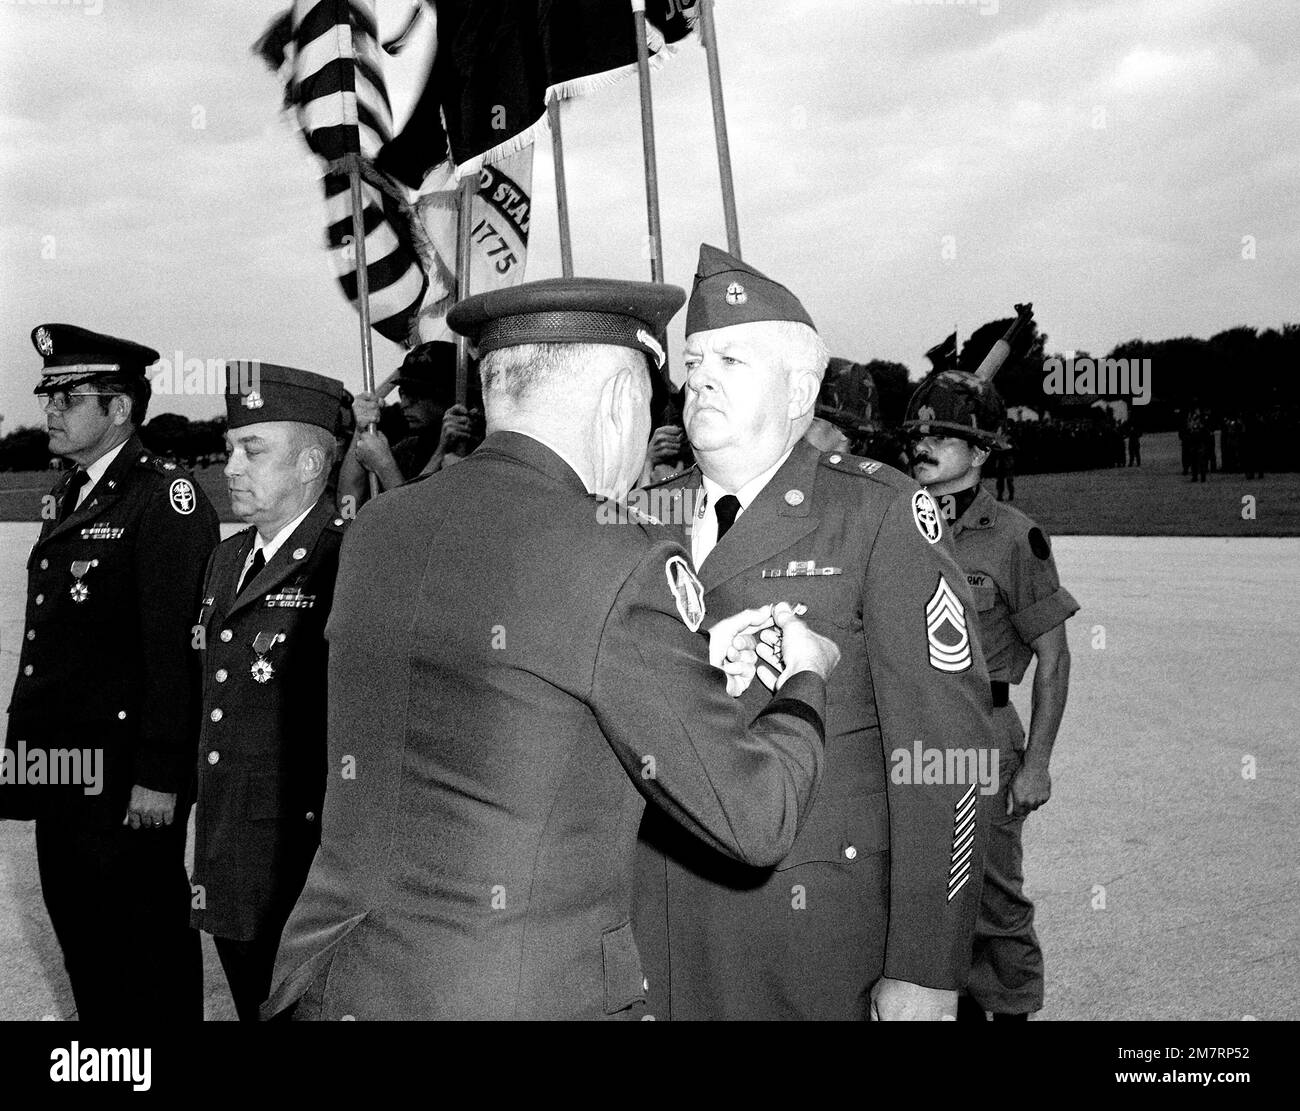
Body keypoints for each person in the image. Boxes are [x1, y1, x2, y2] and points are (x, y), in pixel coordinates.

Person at [261, 277, 842, 1021]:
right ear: (620, 403)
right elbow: (753, 818)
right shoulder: (616, 553)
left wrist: (681, 659)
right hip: (516, 994)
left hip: (342, 979)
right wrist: (803, 680)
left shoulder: (380, 527)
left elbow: (499, 705)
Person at [633, 246, 999, 1021]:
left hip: (810, 941)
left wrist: (927, 966)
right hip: (651, 931)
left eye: (732, 357)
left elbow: (945, 750)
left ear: (802, 389)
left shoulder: (878, 516)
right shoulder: (636, 520)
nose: (699, 376)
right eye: (693, 359)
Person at [1, 323, 220, 1019]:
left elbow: (174, 648)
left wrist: (160, 773)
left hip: (127, 778)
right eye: (49, 396)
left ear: (119, 408)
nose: (52, 411)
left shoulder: (163, 498)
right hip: (65, 768)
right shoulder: (75, 492)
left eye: (69, 396)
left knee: (144, 946)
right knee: (84, 942)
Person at [904, 369, 1079, 1021]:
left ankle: (1007, 1009)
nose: (920, 448)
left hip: (983, 743)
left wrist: (1037, 762)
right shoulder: (893, 521)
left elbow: (1055, 658)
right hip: (904, 741)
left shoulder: (1014, 536)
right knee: (915, 899)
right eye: (917, 436)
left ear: (979, 453)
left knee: (992, 902)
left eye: (941, 437)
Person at [189, 363, 350, 1021]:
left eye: (252, 449)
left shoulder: (346, 556)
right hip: (228, 849)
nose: (230, 465)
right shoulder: (226, 560)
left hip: (301, 857)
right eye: (230, 447)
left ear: (310, 462)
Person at [335, 340, 480, 507]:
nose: (404, 403)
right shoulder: (409, 449)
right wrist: (361, 430)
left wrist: (384, 467)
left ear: (448, 396)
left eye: (416, 395)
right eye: (403, 393)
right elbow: (347, 507)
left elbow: (417, 523)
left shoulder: (475, 452)